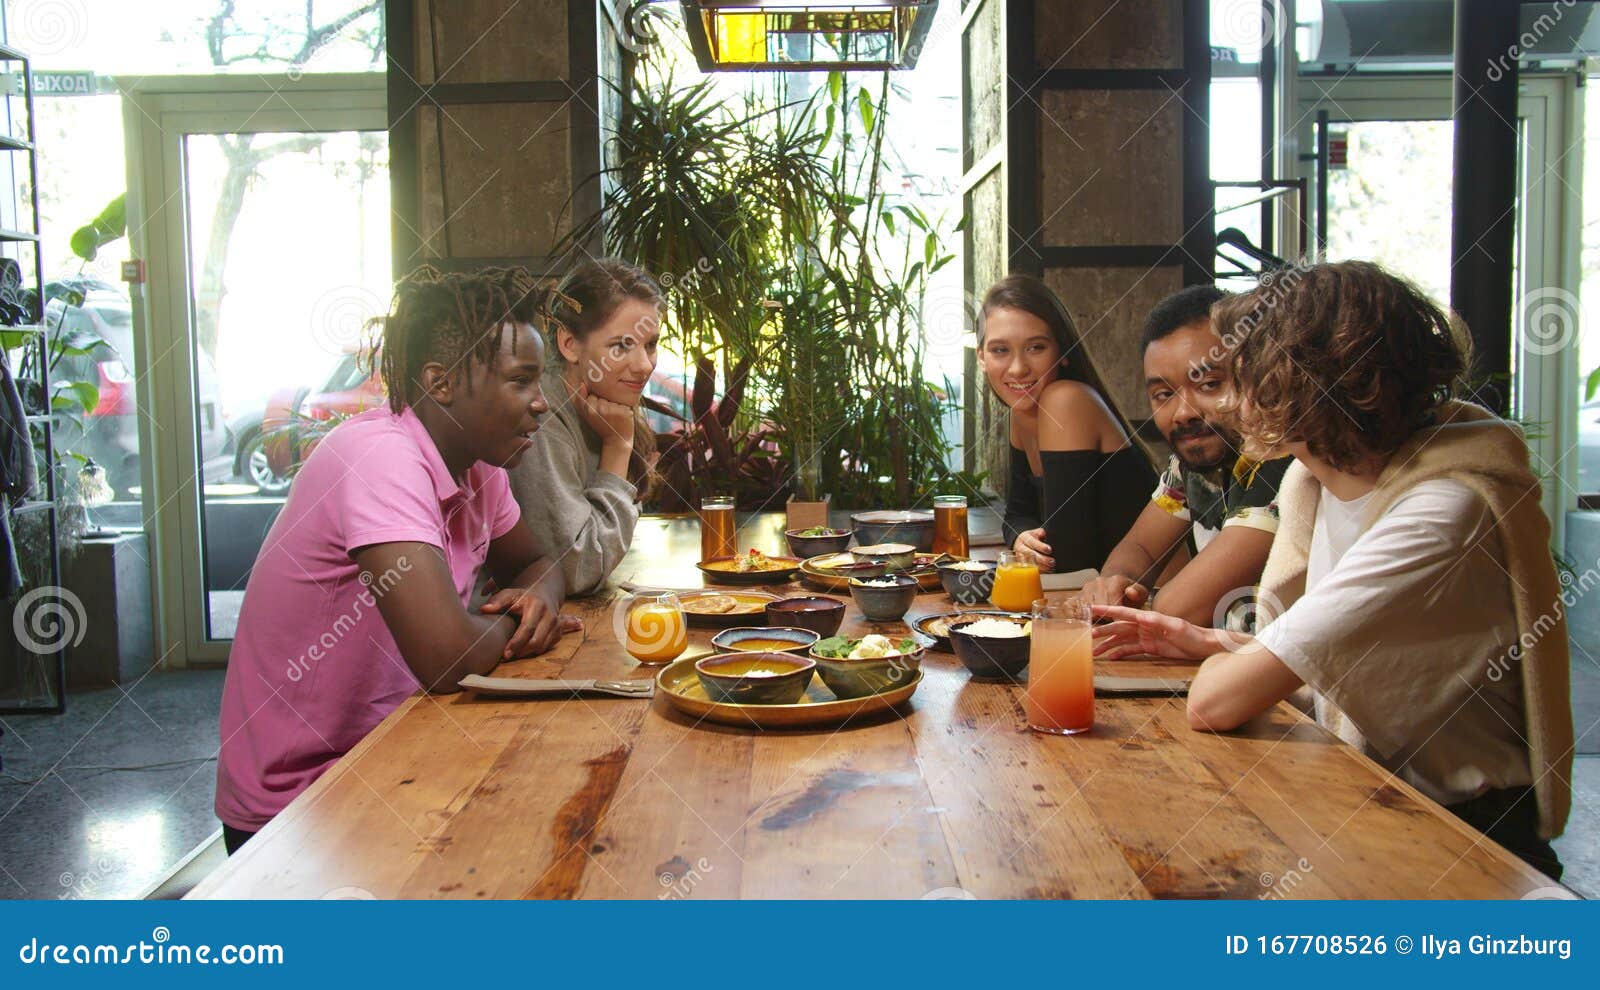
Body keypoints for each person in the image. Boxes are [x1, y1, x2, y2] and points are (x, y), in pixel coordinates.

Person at [1091, 261, 1574, 879]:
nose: (1227, 403)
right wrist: (1211, 640)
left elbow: (1215, 702)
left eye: (1241, 378)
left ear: (1305, 391)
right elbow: (1336, 654)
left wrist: (1225, 663)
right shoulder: (1314, 480)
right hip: (1365, 791)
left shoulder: (1442, 508)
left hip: (1466, 837)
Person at [215, 266, 581, 854]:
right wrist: (522, 623)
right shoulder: (381, 457)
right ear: (441, 383)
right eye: (522, 381)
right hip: (299, 807)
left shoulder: (480, 462)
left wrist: (538, 595)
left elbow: (540, 560)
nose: (542, 404)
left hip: (396, 752)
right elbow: (444, 656)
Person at [1082, 285, 1291, 626]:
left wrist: (1147, 597)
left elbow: (1180, 607)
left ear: (1254, 374)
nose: (1183, 412)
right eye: (1164, 393)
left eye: (1209, 384)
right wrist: (1114, 583)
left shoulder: (1281, 457)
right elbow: (1141, 548)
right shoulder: (1190, 464)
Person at [980, 274, 1155, 574]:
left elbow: (1068, 558)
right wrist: (1021, 537)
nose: (1018, 368)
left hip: (1156, 600)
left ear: (1062, 353)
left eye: (1036, 347)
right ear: (981, 357)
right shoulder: (1022, 411)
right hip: (1096, 594)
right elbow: (1017, 514)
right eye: (1000, 350)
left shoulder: (1065, 400)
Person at [509, 259, 661, 595]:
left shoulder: (609, 405)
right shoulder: (541, 419)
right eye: (621, 345)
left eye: (650, 344)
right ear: (569, 344)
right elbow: (575, 571)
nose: (644, 365)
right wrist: (618, 447)